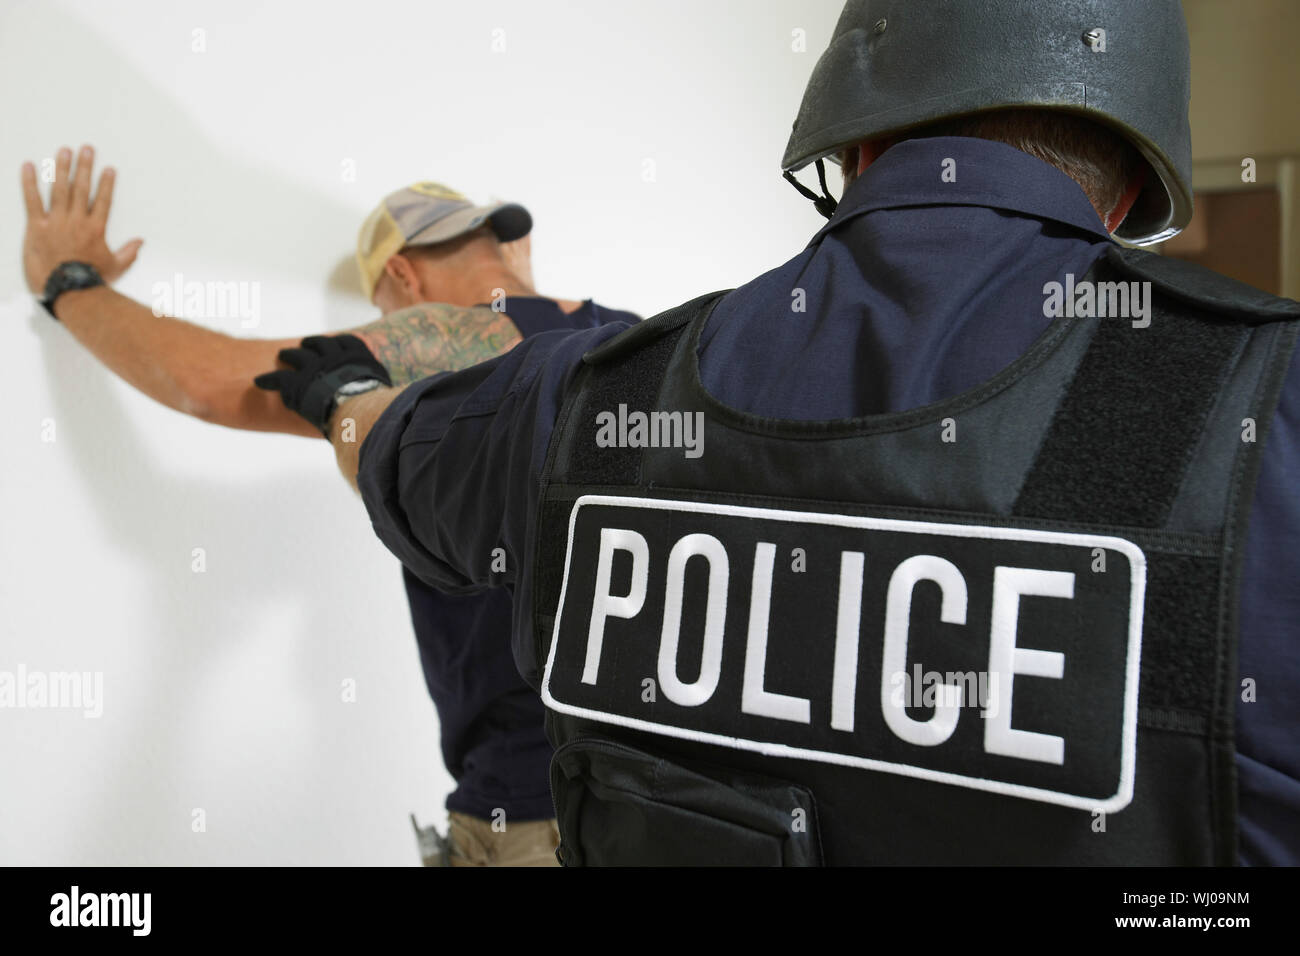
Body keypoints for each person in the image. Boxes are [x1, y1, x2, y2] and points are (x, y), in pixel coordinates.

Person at [234, 0, 1300, 865]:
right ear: (1121, 201)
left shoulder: (590, 397)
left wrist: (343, 398)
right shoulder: (1261, 404)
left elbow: (394, 461)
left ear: (853, 144)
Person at [19, 155, 640, 866]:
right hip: (669, 799)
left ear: (403, 277)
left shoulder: (445, 341)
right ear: (511, 247)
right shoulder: (639, 341)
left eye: (381, 305)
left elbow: (206, 384)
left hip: (531, 814)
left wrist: (68, 282)